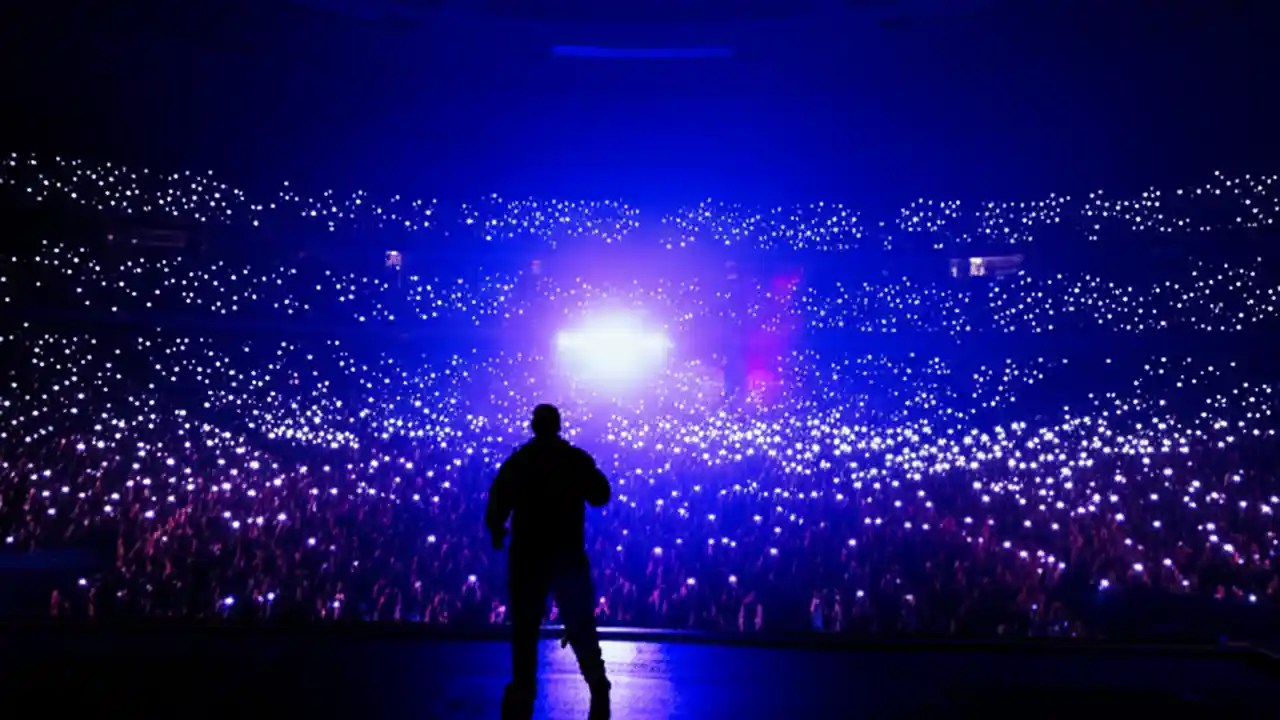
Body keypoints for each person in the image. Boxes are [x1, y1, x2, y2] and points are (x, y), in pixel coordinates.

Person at [486, 404, 612, 719]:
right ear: (558, 425)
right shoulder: (573, 459)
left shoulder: (521, 460)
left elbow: (499, 500)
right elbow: (601, 495)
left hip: (528, 556)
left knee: (525, 627)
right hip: (567, 553)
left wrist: (497, 530)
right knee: (580, 621)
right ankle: (596, 680)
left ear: (534, 426)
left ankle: (523, 686)